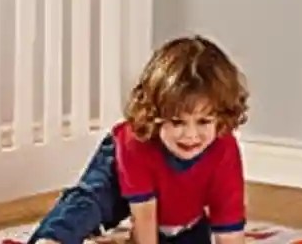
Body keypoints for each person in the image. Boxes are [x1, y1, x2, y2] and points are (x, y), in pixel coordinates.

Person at [30, 35, 250, 244]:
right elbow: (143, 214)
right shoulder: (136, 141)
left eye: (203, 122)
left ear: (220, 118)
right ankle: (53, 239)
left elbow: (228, 221)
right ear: (156, 116)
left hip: (179, 203)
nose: (191, 135)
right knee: (92, 202)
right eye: (177, 122)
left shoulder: (223, 149)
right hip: (121, 173)